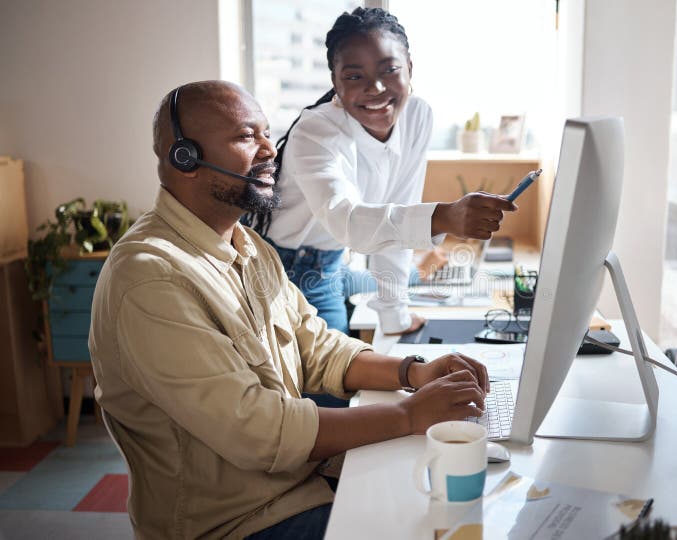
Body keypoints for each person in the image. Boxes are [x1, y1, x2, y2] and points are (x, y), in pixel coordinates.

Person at [88, 80, 490, 540]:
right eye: (245, 136)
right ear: (185, 159)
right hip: (237, 525)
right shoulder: (150, 278)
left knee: (441, 505)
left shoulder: (249, 246)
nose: (268, 150)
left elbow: (315, 346)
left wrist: (413, 372)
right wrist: (409, 415)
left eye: (265, 133)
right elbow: (256, 430)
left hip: (300, 488)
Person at [242, 7, 515, 336]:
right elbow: (348, 223)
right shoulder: (316, 132)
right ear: (335, 82)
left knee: (419, 280)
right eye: (355, 76)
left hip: (335, 263)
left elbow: (400, 207)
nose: (374, 87)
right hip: (285, 268)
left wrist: (395, 316)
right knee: (331, 383)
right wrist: (443, 217)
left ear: (409, 68)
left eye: (389, 70)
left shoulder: (417, 116)